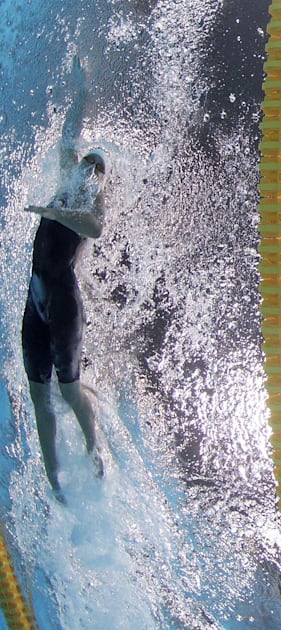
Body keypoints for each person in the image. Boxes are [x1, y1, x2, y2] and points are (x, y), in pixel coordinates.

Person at [21, 56, 107, 502]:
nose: (86, 170)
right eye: (84, 163)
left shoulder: (90, 207)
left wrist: (52, 212)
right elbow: (68, 134)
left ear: (97, 182)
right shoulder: (65, 177)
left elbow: (92, 229)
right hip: (35, 301)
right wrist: (81, 89)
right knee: (41, 398)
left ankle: (94, 448)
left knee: (70, 392)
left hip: (64, 308)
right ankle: (55, 481)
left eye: (94, 170)